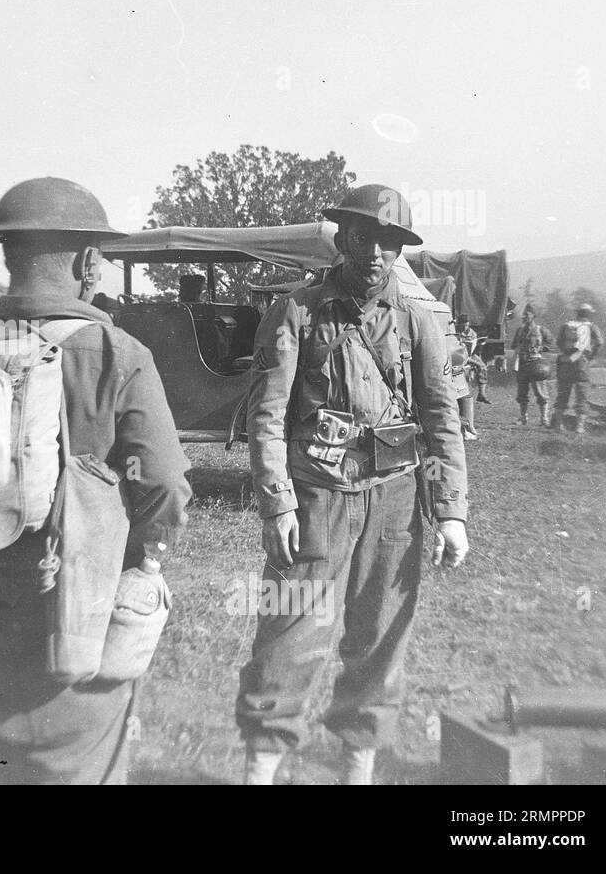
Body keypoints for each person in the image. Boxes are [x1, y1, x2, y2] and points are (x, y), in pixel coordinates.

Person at [0, 177, 192, 784]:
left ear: (7, 257)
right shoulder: (119, 351)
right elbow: (163, 483)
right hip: (79, 608)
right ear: (88, 262)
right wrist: (148, 561)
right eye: (101, 258)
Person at [238, 183, 470, 785]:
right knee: (291, 631)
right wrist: (277, 503)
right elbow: (268, 414)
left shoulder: (418, 320)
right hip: (316, 496)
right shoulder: (296, 311)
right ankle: (261, 768)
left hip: (393, 499)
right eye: (365, 239)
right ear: (342, 240)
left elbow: (442, 420)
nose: (375, 254)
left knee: (381, 636)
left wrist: (450, 513)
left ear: (400, 253)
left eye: (390, 244)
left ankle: (357, 767)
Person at [553, 303, 605, 434]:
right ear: (589, 314)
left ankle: (558, 425)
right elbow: (600, 342)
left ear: (578, 313)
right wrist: (591, 356)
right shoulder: (591, 327)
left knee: (563, 393)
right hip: (581, 363)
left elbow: (558, 341)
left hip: (566, 362)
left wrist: (566, 353)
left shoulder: (567, 325)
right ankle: (579, 427)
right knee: (582, 394)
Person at [510, 305, 555, 426]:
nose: (524, 317)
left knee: (541, 393)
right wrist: (519, 347)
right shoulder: (520, 330)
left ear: (533, 316)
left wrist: (541, 347)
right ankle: (523, 417)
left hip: (536, 364)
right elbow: (513, 345)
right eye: (524, 314)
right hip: (523, 364)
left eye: (527, 314)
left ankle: (544, 418)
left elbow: (551, 343)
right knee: (522, 393)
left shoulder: (541, 330)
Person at [453, 314, 487, 440]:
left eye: (466, 324)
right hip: (457, 356)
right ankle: (466, 426)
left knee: (482, 366)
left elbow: (470, 349)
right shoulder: (454, 331)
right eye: (463, 324)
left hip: (467, 355)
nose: (464, 326)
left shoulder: (471, 333)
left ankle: (482, 393)